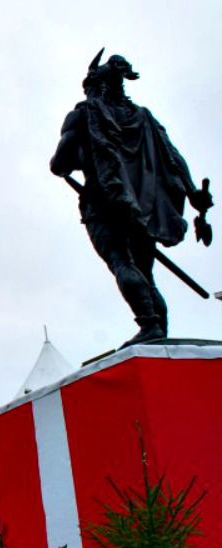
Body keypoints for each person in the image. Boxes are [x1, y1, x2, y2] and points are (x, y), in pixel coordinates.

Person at [51, 49, 213, 347]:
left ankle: (150, 325)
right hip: (142, 210)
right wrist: (193, 193)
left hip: (104, 205)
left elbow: (59, 164)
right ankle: (157, 331)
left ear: (93, 87)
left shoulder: (83, 114)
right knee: (145, 273)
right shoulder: (143, 117)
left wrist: (76, 154)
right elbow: (173, 157)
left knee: (121, 261)